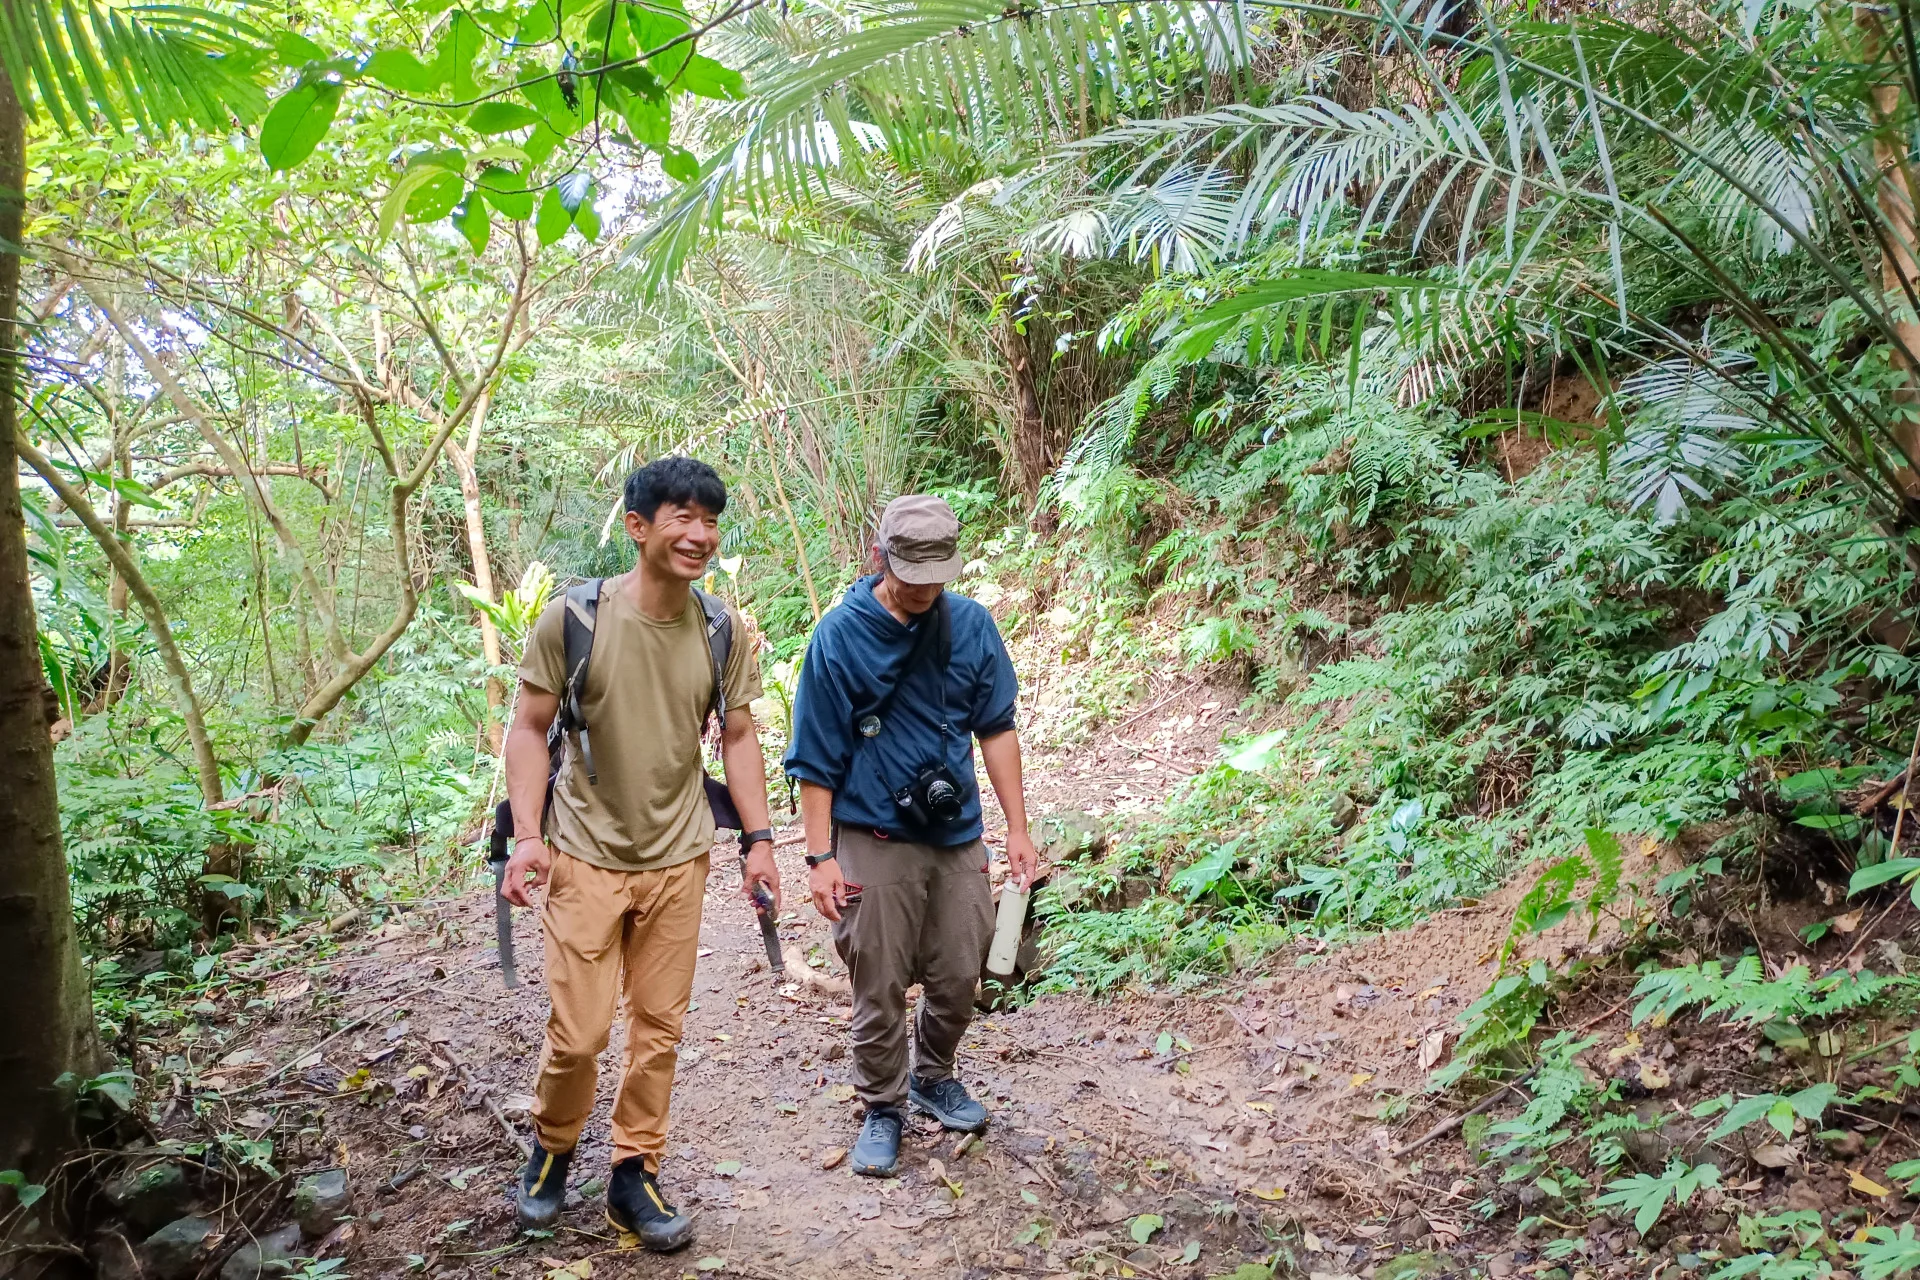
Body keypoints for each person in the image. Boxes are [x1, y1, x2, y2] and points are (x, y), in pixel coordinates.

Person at [499, 457, 779, 1250]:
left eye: (711, 521)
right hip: (585, 854)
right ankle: (553, 1150)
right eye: (683, 517)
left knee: (659, 1026)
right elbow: (526, 727)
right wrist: (527, 839)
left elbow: (739, 735)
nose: (701, 535)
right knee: (580, 1033)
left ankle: (634, 1173)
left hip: (680, 855)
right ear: (638, 527)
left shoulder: (722, 629)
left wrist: (760, 842)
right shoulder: (573, 619)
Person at [784, 494, 1038, 1177]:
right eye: (911, 572)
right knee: (880, 982)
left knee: (964, 970)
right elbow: (813, 757)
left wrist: (1017, 827)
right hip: (870, 830)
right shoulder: (840, 635)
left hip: (955, 831)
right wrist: (819, 857)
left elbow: (998, 727)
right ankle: (883, 1106)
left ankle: (933, 1073)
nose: (925, 587)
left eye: (938, 574)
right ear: (880, 557)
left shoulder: (973, 627)